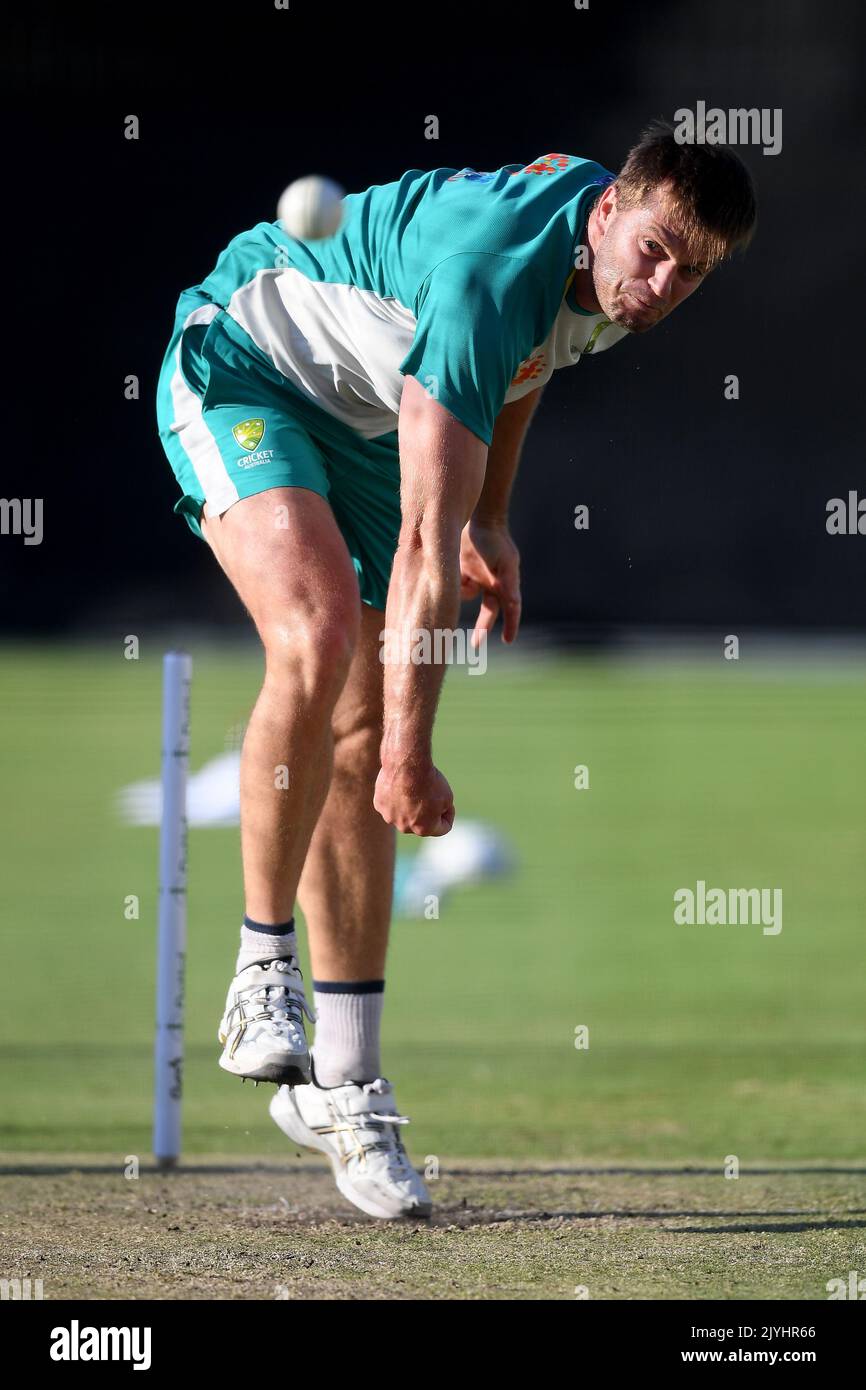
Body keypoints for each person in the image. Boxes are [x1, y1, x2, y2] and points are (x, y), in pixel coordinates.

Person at [156, 120, 756, 1220]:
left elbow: (536, 354)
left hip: (375, 416)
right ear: (610, 211)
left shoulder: (605, 266)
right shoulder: (492, 268)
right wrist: (409, 753)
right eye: (658, 251)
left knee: (353, 729)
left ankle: (345, 1084)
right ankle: (258, 977)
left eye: (694, 272)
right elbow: (426, 546)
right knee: (322, 639)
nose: (665, 285)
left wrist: (492, 515)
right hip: (247, 364)